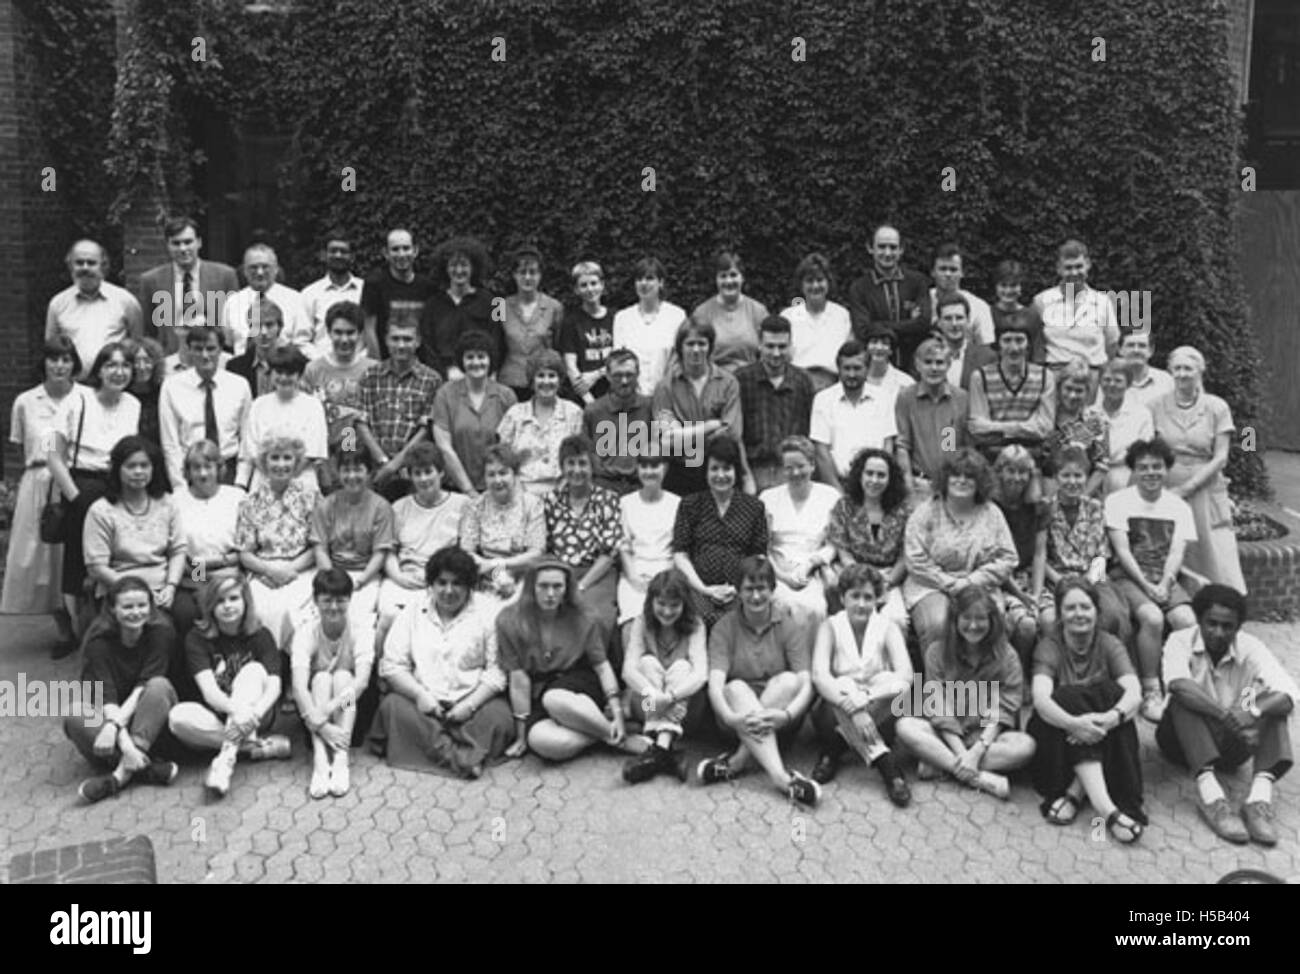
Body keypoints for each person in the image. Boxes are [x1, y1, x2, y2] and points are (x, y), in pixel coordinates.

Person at [1159, 585, 1297, 846]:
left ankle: (1258, 800)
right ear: (1199, 620)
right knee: (1184, 695)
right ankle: (1212, 798)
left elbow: (1288, 693)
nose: (1218, 633)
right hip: (1181, 741)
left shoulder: (1250, 646)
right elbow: (1177, 684)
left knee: (1274, 707)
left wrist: (1254, 710)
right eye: (1211, 623)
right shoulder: (1180, 640)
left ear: (1238, 627)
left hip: (1232, 745)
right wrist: (1227, 717)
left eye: (1227, 626)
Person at [370, 546, 515, 778]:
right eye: (441, 583)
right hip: (425, 705)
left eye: (457, 583)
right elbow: (393, 665)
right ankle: (463, 758)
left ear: (470, 586)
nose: (448, 591)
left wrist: (469, 705)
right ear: (431, 585)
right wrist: (420, 696)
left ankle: (433, 747)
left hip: (472, 704)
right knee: (392, 706)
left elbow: (497, 672)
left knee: (501, 717)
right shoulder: (414, 611)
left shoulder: (488, 612)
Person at [1029, 577, 1146, 844]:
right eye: (1070, 608)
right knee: (1067, 697)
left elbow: (1134, 692)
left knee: (1112, 695)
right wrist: (1074, 724)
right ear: (1059, 614)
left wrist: (1108, 719)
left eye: (1085, 606)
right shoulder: (1049, 646)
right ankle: (1109, 811)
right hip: (1056, 739)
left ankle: (1076, 793)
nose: (1079, 614)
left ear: (1097, 610)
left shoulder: (1109, 644)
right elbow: (1041, 700)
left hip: (1096, 734)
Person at [696, 556, 820, 806]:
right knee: (736, 688)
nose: (755, 597)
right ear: (738, 592)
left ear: (773, 590)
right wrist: (731, 718)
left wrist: (786, 716)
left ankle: (737, 762)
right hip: (736, 720)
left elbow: (806, 684)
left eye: (761, 588)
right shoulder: (724, 627)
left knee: (788, 681)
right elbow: (716, 686)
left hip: (780, 721)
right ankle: (782, 779)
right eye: (749, 589)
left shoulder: (788, 625)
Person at [896, 584, 1035, 799]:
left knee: (1025, 746)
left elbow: (1003, 711)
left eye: (980, 618)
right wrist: (963, 756)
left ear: (991, 621)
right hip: (947, 735)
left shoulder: (1007, 656)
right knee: (905, 726)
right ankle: (979, 778)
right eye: (966, 618)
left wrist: (978, 750)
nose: (973, 625)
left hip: (985, 736)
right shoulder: (936, 652)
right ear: (954, 620)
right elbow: (939, 709)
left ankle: (940, 764)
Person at [499, 558, 643, 761]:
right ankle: (612, 734)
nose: (550, 594)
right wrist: (522, 737)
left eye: (557, 586)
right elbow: (518, 681)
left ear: (567, 588)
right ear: (531, 587)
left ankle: (616, 734)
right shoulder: (509, 620)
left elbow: (602, 667)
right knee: (542, 742)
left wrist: (617, 710)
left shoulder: (585, 617)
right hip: (539, 690)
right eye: (543, 586)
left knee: (554, 699)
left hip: (578, 682)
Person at [46, 342, 142, 642]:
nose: (118, 372)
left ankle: (115, 626)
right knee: (79, 563)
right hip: (82, 484)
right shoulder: (76, 399)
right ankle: (81, 633)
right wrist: (74, 496)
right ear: (98, 370)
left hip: (118, 484)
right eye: (111, 365)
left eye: (125, 365)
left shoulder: (133, 404)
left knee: (114, 557)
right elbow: (51, 452)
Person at [167, 572, 291, 797]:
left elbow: (275, 686)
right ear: (210, 607)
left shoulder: (261, 635)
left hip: (258, 716)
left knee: (252, 671)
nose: (227, 606)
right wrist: (239, 712)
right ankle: (255, 749)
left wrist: (253, 714)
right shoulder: (197, 638)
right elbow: (210, 693)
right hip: (222, 716)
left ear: (246, 601)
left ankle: (225, 761)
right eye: (220, 601)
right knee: (177, 717)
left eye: (233, 598)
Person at [1105, 437, 1199, 722]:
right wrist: (1147, 587)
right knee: (1153, 617)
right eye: (1143, 467)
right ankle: (1151, 690)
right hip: (1129, 576)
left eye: (1157, 466)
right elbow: (1121, 552)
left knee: (1187, 620)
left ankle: (1183, 686)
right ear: (1133, 470)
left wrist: (1166, 582)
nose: (1150, 473)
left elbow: (1176, 551)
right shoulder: (1118, 502)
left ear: (1166, 469)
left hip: (1165, 578)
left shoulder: (1178, 506)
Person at [63, 577, 180, 803]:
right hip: (112, 718)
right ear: (113, 609)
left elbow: (142, 689)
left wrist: (116, 727)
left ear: (151, 607)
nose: (136, 612)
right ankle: (144, 766)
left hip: (148, 720)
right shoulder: (97, 643)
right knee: (76, 714)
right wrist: (125, 744)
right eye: (127, 607)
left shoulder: (161, 633)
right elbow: (107, 698)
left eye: (142, 605)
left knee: (158, 686)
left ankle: (119, 775)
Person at [808, 564, 913, 803]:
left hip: (878, 715)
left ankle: (835, 747)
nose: (862, 604)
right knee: (842, 681)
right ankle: (886, 765)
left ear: (878, 599)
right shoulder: (830, 626)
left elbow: (906, 675)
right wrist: (852, 708)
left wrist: (864, 698)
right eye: (855, 596)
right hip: (833, 713)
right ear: (843, 597)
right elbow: (819, 676)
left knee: (890, 681)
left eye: (868, 597)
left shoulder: (888, 627)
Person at [903, 449, 1018, 667]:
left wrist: (970, 582)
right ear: (945, 479)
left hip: (980, 585)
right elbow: (914, 559)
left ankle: (982, 688)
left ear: (980, 481)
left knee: (991, 620)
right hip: (931, 586)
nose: (961, 480)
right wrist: (949, 583)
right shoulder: (925, 512)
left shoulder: (992, 513)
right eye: (956, 475)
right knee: (938, 622)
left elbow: (1008, 558)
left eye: (969, 476)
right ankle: (939, 689)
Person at [1149, 345, 1246, 592]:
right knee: (1171, 544)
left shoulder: (1217, 407)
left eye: (1188, 368)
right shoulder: (1156, 405)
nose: (1182, 374)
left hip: (1205, 484)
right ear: (1170, 371)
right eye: (1177, 368)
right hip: (1167, 484)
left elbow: (1221, 456)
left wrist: (1189, 487)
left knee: (1210, 546)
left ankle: (1219, 601)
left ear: (1199, 371)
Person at [2, 338, 77, 635]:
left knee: (74, 554)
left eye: (66, 359)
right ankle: (62, 625)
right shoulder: (26, 401)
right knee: (42, 556)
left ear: (75, 364)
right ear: (43, 363)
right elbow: (23, 446)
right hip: (39, 480)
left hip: (73, 480)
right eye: (53, 359)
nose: (60, 366)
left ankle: (84, 625)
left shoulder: (84, 397)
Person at [290, 569, 375, 797]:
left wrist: (327, 710)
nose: (334, 607)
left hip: (348, 710)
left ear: (350, 600)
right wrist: (320, 724)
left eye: (341, 600)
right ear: (316, 600)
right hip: (313, 713)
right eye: (327, 600)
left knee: (343, 677)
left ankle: (340, 757)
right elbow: (298, 687)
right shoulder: (306, 631)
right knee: (320, 678)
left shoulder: (361, 629)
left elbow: (362, 683)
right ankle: (320, 759)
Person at [620, 568, 708, 784]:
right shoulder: (641, 623)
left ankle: (655, 753)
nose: (667, 611)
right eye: (661, 603)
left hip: (683, 711)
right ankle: (665, 751)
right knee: (647, 663)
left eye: (674, 605)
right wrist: (654, 695)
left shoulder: (696, 626)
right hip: (648, 707)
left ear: (684, 604)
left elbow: (700, 675)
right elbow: (628, 671)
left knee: (682, 668)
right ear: (651, 601)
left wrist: (670, 697)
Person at [671, 437, 769, 629]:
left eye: (727, 468)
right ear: (705, 471)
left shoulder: (754, 507)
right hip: (698, 589)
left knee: (740, 622)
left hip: (741, 590)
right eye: (714, 468)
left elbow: (759, 556)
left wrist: (739, 587)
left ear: (737, 471)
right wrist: (704, 589)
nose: (721, 475)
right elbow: (680, 554)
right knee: (696, 619)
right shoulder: (690, 505)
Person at [234, 436, 318, 649]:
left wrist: (289, 570)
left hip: (301, 569)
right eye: (275, 458)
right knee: (261, 610)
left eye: (287, 458)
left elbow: (318, 545)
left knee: (294, 611)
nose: (281, 464)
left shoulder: (311, 497)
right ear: (264, 462)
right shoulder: (250, 501)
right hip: (262, 570)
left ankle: (294, 669)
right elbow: (244, 553)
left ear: (297, 462)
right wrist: (271, 571)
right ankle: (266, 665)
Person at [1040, 445, 1130, 642]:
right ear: (1056, 478)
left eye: (1078, 476)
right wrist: (1062, 582)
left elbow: (1101, 554)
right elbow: (1039, 558)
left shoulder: (1095, 508)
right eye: (1066, 475)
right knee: (1053, 619)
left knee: (1112, 615)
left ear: (1086, 477)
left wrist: (1087, 582)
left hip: (1092, 579)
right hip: (1055, 579)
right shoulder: (1045, 508)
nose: (1072, 482)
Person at [377, 442, 468, 635]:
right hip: (403, 579)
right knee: (389, 614)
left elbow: (467, 554)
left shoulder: (462, 505)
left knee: (434, 621)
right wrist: (399, 577)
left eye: (428, 471)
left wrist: (437, 579)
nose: (423, 478)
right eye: (417, 473)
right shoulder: (399, 507)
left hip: (443, 581)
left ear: (441, 473)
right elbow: (389, 553)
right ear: (410, 476)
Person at [651, 316, 747, 496]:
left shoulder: (728, 383)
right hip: (681, 473)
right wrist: (711, 426)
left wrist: (683, 435)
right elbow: (665, 441)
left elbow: (732, 433)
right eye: (690, 344)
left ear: (710, 346)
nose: (696, 350)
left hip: (721, 471)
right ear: (680, 347)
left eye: (702, 343)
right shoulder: (665, 387)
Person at [355, 317, 442, 502]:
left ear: (418, 341)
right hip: (374, 468)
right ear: (386, 340)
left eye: (407, 339)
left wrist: (396, 464)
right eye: (395, 339)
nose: (401, 345)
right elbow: (360, 422)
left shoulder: (431, 379)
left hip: (413, 471)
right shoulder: (371, 375)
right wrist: (382, 461)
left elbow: (426, 429)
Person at [544, 435, 623, 634]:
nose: (577, 470)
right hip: (560, 572)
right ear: (562, 466)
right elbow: (546, 547)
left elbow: (608, 555)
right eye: (570, 463)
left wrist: (581, 586)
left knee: (595, 617)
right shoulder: (551, 500)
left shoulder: (608, 500)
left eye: (582, 463)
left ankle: (594, 664)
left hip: (597, 574)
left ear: (592, 466)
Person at [827, 447, 912, 630]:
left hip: (889, 577)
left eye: (881, 475)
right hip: (853, 576)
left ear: (890, 479)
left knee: (896, 620)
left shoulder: (904, 510)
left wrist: (886, 583)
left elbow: (905, 557)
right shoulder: (844, 506)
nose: (874, 480)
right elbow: (844, 554)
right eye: (869, 473)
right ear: (860, 475)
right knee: (852, 619)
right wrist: (865, 581)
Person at [158, 325, 252, 488]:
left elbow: (247, 437)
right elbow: (170, 443)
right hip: (190, 471)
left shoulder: (239, 385)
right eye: (198, 349)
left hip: (228, 469)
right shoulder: (171, 387)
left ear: (221, 350)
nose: (205, 355)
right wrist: (180, 485)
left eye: (211, 349)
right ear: (188, 350)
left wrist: (241, 481)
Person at [310, 447, 396, 619]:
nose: (351, 476)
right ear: (338, 472)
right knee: (316, 616)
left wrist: (360, 581)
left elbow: (380, 553)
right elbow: (320, 548)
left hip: (366, 575)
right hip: (331, 572)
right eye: (346, 470)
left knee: (356, 617)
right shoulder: (326, 506)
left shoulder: (381, 507)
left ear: (369, 472)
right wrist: (332, 580)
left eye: (358, 469)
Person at [430, 330, 517, 497]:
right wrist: (469, 490)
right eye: (470, 357)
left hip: (497, 488)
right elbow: (444, 447)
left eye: (481, 356)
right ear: (461, 361)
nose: (476, 362)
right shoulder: (445, 394)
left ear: (490, 360)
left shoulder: (506, 396)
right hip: (455, 489)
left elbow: (511, 447)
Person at [760, 436, 839, 621]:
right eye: (789, 467)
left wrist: (812, 563)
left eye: (801, 466)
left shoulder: (829, 496)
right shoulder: (768, 498)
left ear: (812, 465)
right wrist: (782, 576)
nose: (795, 472)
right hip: (777, 572)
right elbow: (762, 547)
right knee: (781, 605)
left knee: (815, 608)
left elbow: (835, 544)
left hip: (813, 570)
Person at [171, 440, 244, 639]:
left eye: (208, 466)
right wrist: (206, 576)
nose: (203, 474)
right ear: (187, 471)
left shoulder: (237, 498)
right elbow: (179, 556)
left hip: (233, 575)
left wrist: (219, 564)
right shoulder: (175, 501)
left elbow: (246, 549)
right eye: (196, 467)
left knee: (231, 605)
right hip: (191, 580)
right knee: (186, 613)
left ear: (219, 468)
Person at [137, 215, 239, 354]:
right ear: (167, 245)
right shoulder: (151, 281)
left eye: (188, 242)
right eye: (176, 243)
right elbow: (148, 331)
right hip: (170, 360)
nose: (183, 248)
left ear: (199, 242)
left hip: (212, 358)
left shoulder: (225, 276)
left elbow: (233, 325)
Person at [458, 444, 547, 604]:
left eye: (503, 473)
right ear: (484, 478)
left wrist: (499, 564)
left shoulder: (532, 504)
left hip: (523, 578)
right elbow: (466, 553)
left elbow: (536, 554)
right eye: (491, 475)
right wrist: (496, 573)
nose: (497, 480)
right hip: (484, 578)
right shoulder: (475, 506)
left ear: (515, 474)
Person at [735, 314, 815, 491]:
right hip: (754, 470)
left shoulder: (803, 381)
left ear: (791, 346)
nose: (776, 353)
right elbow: (735, 433)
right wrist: (745, 475)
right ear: (760, 345)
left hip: (792, 470)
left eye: (782, 346)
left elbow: (811, 432)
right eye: (770, 346)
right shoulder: (741, 379)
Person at [1031, 239, 1120, 393]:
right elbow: (1035, 344)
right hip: (1055, 376)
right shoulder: (1041, 301)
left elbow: (1111, 343)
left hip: (1091, 378)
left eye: (1079, 266)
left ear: (1088, 265)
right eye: (1068, 268)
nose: (1074, 273)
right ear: (1059, 269)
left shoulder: (1103, 301)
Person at [45, 239, 143, 378]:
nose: (85, 268)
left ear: (102, 266)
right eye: (79, 262)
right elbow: (52, 350)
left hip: (114, 387)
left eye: (91, 263)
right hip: (73, 388)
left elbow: (137, 344)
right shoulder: (58, 304)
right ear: (70, 266)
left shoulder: (125, 301)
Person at [301, 300, 372, 491]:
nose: (344, 339)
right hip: (325, 458)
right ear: (329, 333)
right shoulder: (313, 369)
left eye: (350, 332)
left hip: (362, 460)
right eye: (338, 332)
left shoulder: (372, 369)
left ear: (360, 334)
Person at [238, 346, 329, 493]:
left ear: (299, 374)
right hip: (263, 484)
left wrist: (284, 482)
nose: (284, 378)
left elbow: (312, 452)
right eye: (279, 372)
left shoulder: (313, 406)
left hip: (302, 484)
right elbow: (252, 450)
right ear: (271, 373)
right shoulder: (258, 405)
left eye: (290, 373)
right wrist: (273, 480)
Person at [968, 314, 1057, 462]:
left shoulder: (1044, 377)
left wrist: (995, 427)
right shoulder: (980, 377)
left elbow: (1046, 428)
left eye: (1019, 340)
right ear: (998, 344)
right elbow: (977, 429)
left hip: (1033, 457)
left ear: (1028, 344)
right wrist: (1025, 428)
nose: (1014, 348)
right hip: (992, 457)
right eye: (1007, 340)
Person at [496, 349, 585, 496]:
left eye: (552, 376)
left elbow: (581, 459)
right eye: (540, 376)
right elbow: (502, 460)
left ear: (560, 379)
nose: (546, 381)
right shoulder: (515, 414)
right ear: (532, 380)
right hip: (521, 494)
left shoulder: (573, 413)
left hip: (563, 493)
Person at [811, 340, 897, 487]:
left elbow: (888, 444)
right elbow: (821, 451)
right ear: (838, 369)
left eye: (857, 368)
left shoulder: (883, 399)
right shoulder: (823, 400)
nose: (852, 374)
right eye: (847, 368)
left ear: (867, 368)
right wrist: (838, 493)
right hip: (838, 483)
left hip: (875, 485)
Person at [893, 337, 970, 498]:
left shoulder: (961, 398)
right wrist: (907, 484)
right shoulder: (906, 397)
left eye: (940, 362)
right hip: (919, 484)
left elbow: (953, 444)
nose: (934, 368)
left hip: (953, 484)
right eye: (928, 362)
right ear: (917, 364)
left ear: (948, 365)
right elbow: (902, 445)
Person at [991, 445, 1049, 660]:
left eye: (1023, 472)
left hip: (1029, 578)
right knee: (1026, 626)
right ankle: (1014, 673)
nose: (1017, 478)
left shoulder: (1038, 507)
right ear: (999, 472)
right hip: (1002, 580)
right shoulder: (990, 507)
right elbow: (997, 559)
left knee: (1049, 620)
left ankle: (1041, 673)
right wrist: (1022, 597)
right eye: (1011, 471)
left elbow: (1039, 554)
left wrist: (1035, 594)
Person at [846, 224, 932, 366]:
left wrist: (879, 325)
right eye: (881, 247)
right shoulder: (859, 288)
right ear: (870, 248)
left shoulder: (917, 282)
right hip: (875, 365)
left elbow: (923, 323)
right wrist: (908, 325)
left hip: (914, 364)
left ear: (901, 250)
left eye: (892, 247)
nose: (887, 253)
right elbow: (862, 331)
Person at [617, 454, 681, 631]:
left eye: (655, 466)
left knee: (667, 615)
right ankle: (630, 660)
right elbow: (624, 547)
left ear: (665, 468)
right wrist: (634, 578)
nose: (649, 471)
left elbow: (679, 549)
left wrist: (667, 579)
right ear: (637, 469)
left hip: (667, 573)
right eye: (644, 466)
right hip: (635, 574)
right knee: (632, 620)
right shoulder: (625, 503)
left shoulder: (677, 504)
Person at [418, 236, 497, 378]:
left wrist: (488, 372)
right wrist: (441, 374)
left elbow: (499, 341)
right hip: (442, 378)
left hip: (481, 375)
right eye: (453, 265)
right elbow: (427, 345)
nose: (459, 270)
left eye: (464, 265)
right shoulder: (431, 305)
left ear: (474, 267)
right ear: (445, 268)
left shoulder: (496, 302)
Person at [583, 348, 656, 496]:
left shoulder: (650, 407)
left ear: (638, 374)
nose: (624, 381)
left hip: (641, 485)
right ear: (608, 376)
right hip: (604, 487)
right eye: (618, 375)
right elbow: (587, 453)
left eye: (629, 375)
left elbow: (660, 449)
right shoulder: (593, 411)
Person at [612, 256, 687, 397]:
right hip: (631, 398)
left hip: (669, 396)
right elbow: (619, 361)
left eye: (650, 278)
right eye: (639, 279)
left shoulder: (677, 316)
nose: (644, 283)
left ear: (661, 282)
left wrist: (663, 391)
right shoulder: (622, 318)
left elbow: (679, 359)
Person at [498, 245, 564, 400]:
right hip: (508, 383)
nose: (527, 277)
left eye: (533, 272)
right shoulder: (499, 305)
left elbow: (558, 345)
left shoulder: (555, 307)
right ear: (514, 275)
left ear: (540, 275)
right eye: (522, 272)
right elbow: (496, 344)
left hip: (543, 383)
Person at [220, 244, 311, 356]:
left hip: (283, 369)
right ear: (244, 271)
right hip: (242, 369)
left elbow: (302, 344)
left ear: (276, 269)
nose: (260, 272)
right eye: (253, 267)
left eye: (265, 267)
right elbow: (228, 344)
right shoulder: (233, 302)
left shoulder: (295, 300)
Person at [361, 228, 436, 361]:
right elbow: (369, 330)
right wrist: (376, 366)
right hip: (385, 363)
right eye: (395, 249)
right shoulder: (375, 285)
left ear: (415, 251)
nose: (401, 254)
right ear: (386, 253)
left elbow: (431, 330)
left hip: (421, 364)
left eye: (406, 248)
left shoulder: (427, 286)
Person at [782, 252, 852, 393]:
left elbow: (848, 356)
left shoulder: (841, 315)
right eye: (809, 280)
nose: (815, 285)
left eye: (820, 280)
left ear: (828, 282)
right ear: (801, 285)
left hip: (833, 386)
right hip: (796, 388)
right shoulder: (790, 315)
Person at [691, 250, 770, 374]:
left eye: (733, 275)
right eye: (723, 276)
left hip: (751, 381)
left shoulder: (758, 311)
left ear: (742, 277)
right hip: (714, 381)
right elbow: (695, 353)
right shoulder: (702, 313)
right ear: (716, 279)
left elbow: (768, 351)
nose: (728, 281)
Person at [1042, 357, 1110, 495]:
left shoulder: (1095, 421)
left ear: (1087, 392)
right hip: (1048, 491)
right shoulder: (1047, 416)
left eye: (1079, 391)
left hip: (1085, 493)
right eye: (1068, 389)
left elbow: (1102, 467)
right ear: (1059, 388)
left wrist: (1080, 499)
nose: (1072, 395)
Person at [299, 231, 365, 355]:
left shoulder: (365, 290)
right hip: (321, 369)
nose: (338, 255)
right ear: (323, 255)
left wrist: (359, 363)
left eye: (344, 251)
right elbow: (301, 340)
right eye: (333, 251)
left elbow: (373, 335)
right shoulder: (310, 294)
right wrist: (324, 364)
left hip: (360, 369)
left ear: (352, 256)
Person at [559, 260, 615, 405]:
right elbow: (571, 366)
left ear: (602, 285)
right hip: (584, 397)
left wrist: (596, 375)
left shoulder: (616, 318)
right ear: (576, 290)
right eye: (583, 285)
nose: (590, 289)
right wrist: (590, 402)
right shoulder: (571, 322)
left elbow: (621, 358)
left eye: (594, 283)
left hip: (615, 394)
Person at [1097, 357, 1154, 494]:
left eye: (1118, 380)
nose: (1112, 384)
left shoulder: (1141, 414)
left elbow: (1144, 455)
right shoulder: (1090, 413)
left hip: (1128, 477)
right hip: (1095, 479)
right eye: (1107, 379)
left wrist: (1129, 493)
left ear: (1128, 384)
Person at [928, 242, 995, 348]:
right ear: (932, 272)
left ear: (962, 272)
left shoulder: (979, 307)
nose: (948, 274)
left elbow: (986, 350)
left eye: (953, 269)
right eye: (943, 269)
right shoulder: (922, 300)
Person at [225, 295, 286, 398]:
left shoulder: (295, 364)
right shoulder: (235, 368)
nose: (264, 332)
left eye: (269, 325)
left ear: (279, 327)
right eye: (257, 325)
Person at [934, 293, 996, 391]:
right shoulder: (926, 357)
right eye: (948, 318)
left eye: (959, 318)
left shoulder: (987, 357)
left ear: (968, 321)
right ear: (939, 323)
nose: (954, 324)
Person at [989, 259, 1044, 362]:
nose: (1008, 290)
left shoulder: (1031, 315)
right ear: (996, 286)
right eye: (1003, 285)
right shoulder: (988, 314)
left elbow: (1038, 351)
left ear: (1021, 286)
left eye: (1013, 285)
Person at [125, 337, 167, 454]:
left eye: (147, 361)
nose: (142, 367)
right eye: (136, 361)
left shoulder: (164, 392)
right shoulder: (122, 393)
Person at [1114, 329, 1174, 411]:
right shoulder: (1109, 382)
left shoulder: (1166, 381)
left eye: (1142, 346)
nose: (1136, 350)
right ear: (1120, 350)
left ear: (1151, 350)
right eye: (1130, 345)